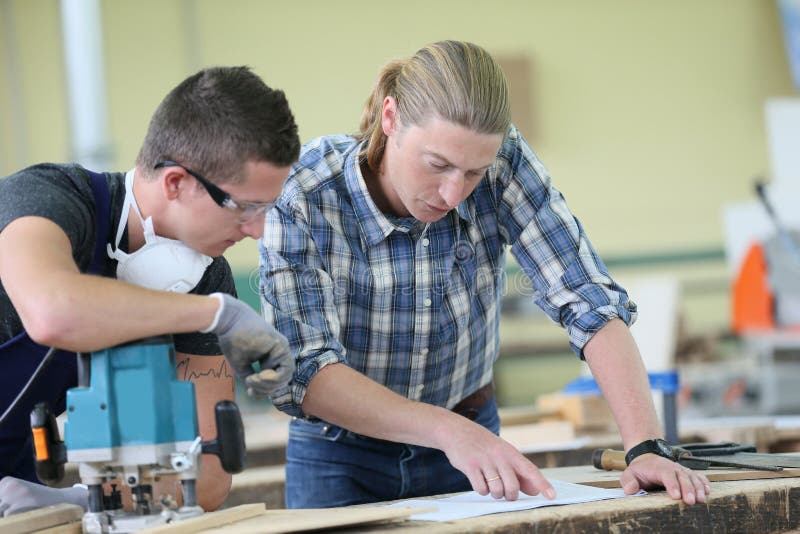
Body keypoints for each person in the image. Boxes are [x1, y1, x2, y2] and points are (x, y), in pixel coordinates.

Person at [259, 40, 711, 508]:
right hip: (341, 452)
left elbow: (587, 298)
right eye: (438, 165)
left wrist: (645, 446)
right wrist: (445, 430)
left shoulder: (505, 161)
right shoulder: (304, 193)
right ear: (390, 118)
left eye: (474, 172)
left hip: (470, 439)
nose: (454, 193)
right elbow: (303, 370)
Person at [0, 66, 300, 516]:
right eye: (244, 207)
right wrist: (214, 315)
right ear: (176, 182)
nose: (257, 231)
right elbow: (52, 313)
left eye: (267, 210)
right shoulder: (49, 199)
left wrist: (89, 502)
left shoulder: (205, 276)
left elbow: (211, 474)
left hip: (13, 479)